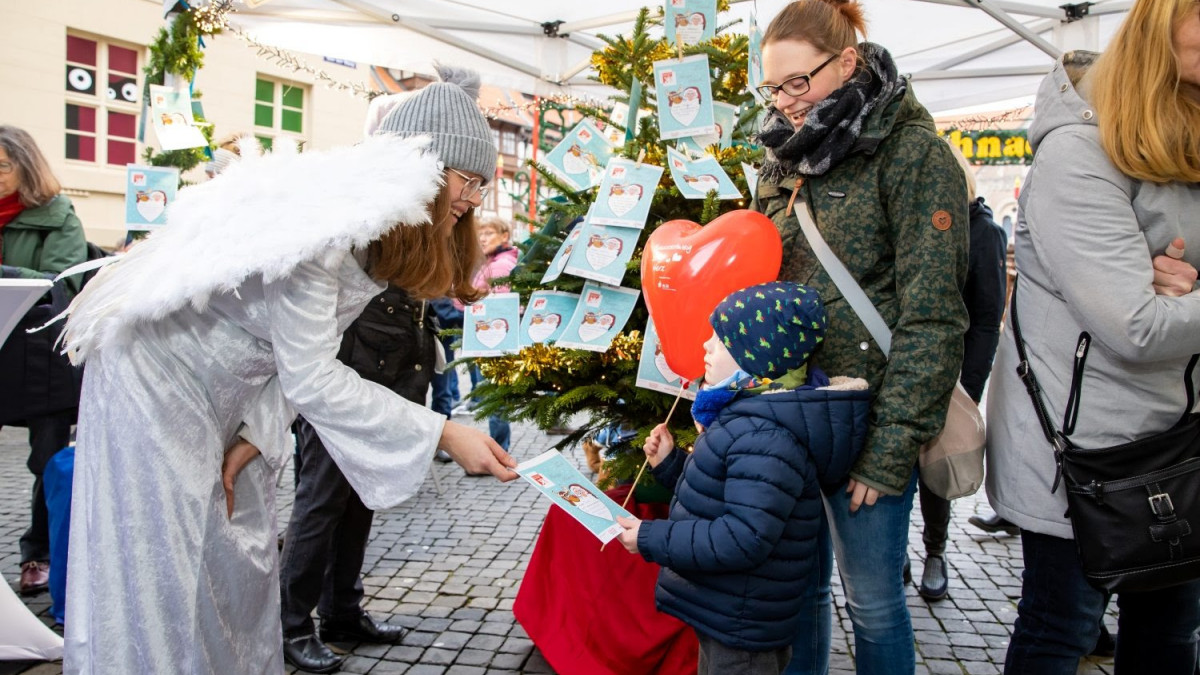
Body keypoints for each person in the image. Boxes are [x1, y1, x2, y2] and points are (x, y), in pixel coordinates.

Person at [57, 65, 517, 674]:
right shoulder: (328, 230)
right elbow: (312, 373)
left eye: (482, 185)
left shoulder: (374, 232)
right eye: (467, 180)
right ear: (425, 169)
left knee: (235, 548)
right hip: (155, 377)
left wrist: (257, 430)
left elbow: (291, 348)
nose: (474, 199)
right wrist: (442, 431)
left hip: (229, 386)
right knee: (162, 559)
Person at [753, 1, 970, 672]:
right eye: (772, 86)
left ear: (847, 62)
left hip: (867, 421)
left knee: (874, 602)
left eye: (799, 81)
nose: (785, 101)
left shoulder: (912, 153)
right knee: (800, 594)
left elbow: (934, 317)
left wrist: (890, 447)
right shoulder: (779, 157)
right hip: (789, 417)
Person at [985, 1, 1200, 671]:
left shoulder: (1184, 129)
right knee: (1062, 627)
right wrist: (1150, 291)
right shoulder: (1079, 152)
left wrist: (1180, 292)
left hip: (1178, 436)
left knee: (1171, 632)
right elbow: (1137, 326)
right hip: (1081, 453)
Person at [615, 282, 871, 675]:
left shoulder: (765, 437)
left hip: (741, 626)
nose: (705, 347)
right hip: (729, 611)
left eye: (719, 341)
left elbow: (741, 536)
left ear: (757, 360)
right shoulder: (749, 418)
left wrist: (651, 538)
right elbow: (721, 494)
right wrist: (669, 464)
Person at [275, 95, 447, 674]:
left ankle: (342, 612)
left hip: (391, 367)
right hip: (345, 375)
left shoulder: (417, 202)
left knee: (358, 499)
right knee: (320, 503)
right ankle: (290, 624)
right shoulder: (364, 202)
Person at [911, 143, 1007, 601]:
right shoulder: (917, 224)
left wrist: (969, 385)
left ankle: (935, 551)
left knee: (939, 466)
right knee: (896, 465)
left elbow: (987, 319)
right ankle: (896, 553)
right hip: (905, 364)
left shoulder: (982, 231)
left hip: (952, 376)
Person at [0, 125, 88, 596]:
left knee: (46, 460)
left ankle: (39, 552)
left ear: (26, 167)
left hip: (39, 359)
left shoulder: (59, 216)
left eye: (2, 166)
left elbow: (65, 281)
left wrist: (7, 273)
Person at [454, 217, 517, 451]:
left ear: (504, 236)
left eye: (489, 233)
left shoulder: (499, 266)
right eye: (480, 234)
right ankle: (499, 446)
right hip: (488, 337)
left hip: (492, 341)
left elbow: (500, 307)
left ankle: (499, 449)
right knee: (494, 397)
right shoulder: (492, 261)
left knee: (495, 398)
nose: (482, 238)